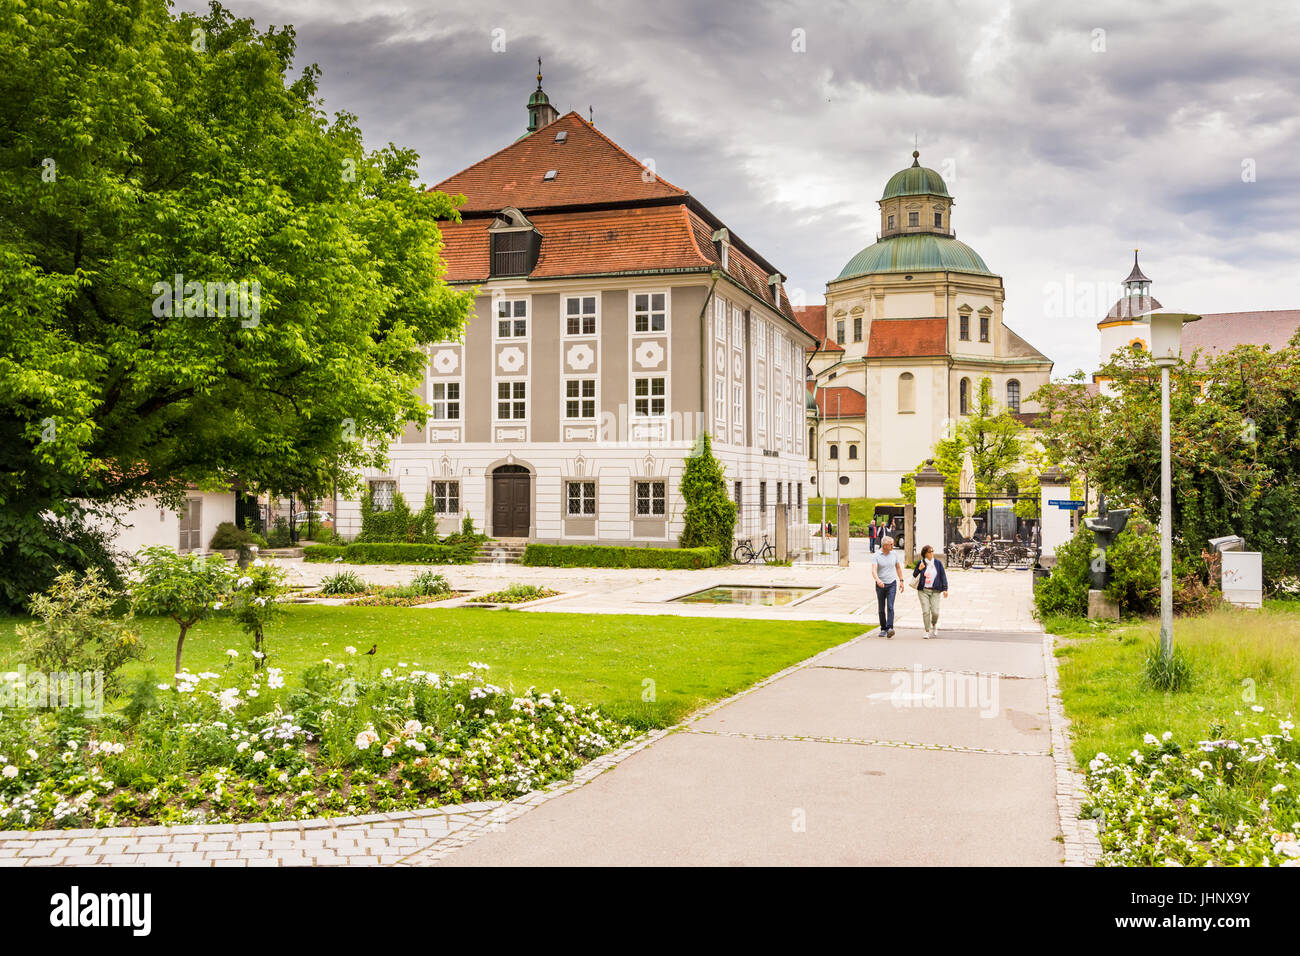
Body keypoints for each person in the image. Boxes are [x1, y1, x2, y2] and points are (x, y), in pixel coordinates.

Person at [871, 535, 905, 638]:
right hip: (880, 584)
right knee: (881, 608)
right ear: (885, 545)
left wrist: (901, 580)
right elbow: (874, 570)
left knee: (890, 606)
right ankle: (883, 628)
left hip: (892, 584)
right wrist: (878, 580)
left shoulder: (894, 554)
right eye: (891, 544)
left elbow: (898, 567)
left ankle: (890, 628)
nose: (893, 546)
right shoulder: (877, 555)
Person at [911, 545, 949, 639]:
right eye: (929, 552)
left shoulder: (938, 563)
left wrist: (945, 589)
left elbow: (943, 576)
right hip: (923, 591)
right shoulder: (921, 562)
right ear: (925, 554)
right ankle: (927, 631)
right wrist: (919, 569)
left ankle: (934, 624)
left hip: (935, 590)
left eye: (932, 551)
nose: (932, 553)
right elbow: (915, 574)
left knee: (935, 612)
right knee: (926, 611)